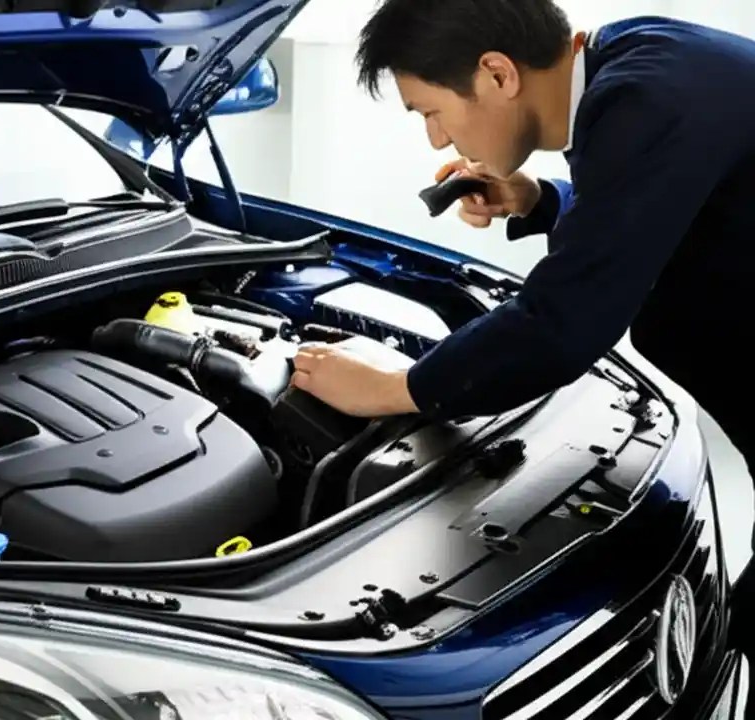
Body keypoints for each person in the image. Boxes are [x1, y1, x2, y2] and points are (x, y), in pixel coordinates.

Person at [288, 0, 755, 705]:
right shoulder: (642, 59)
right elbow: (667, 206)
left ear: (497, 73)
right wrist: (540, 201)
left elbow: (560, 322)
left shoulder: (645, 100)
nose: (436, 138)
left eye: (430, 112)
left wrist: (395, 388)